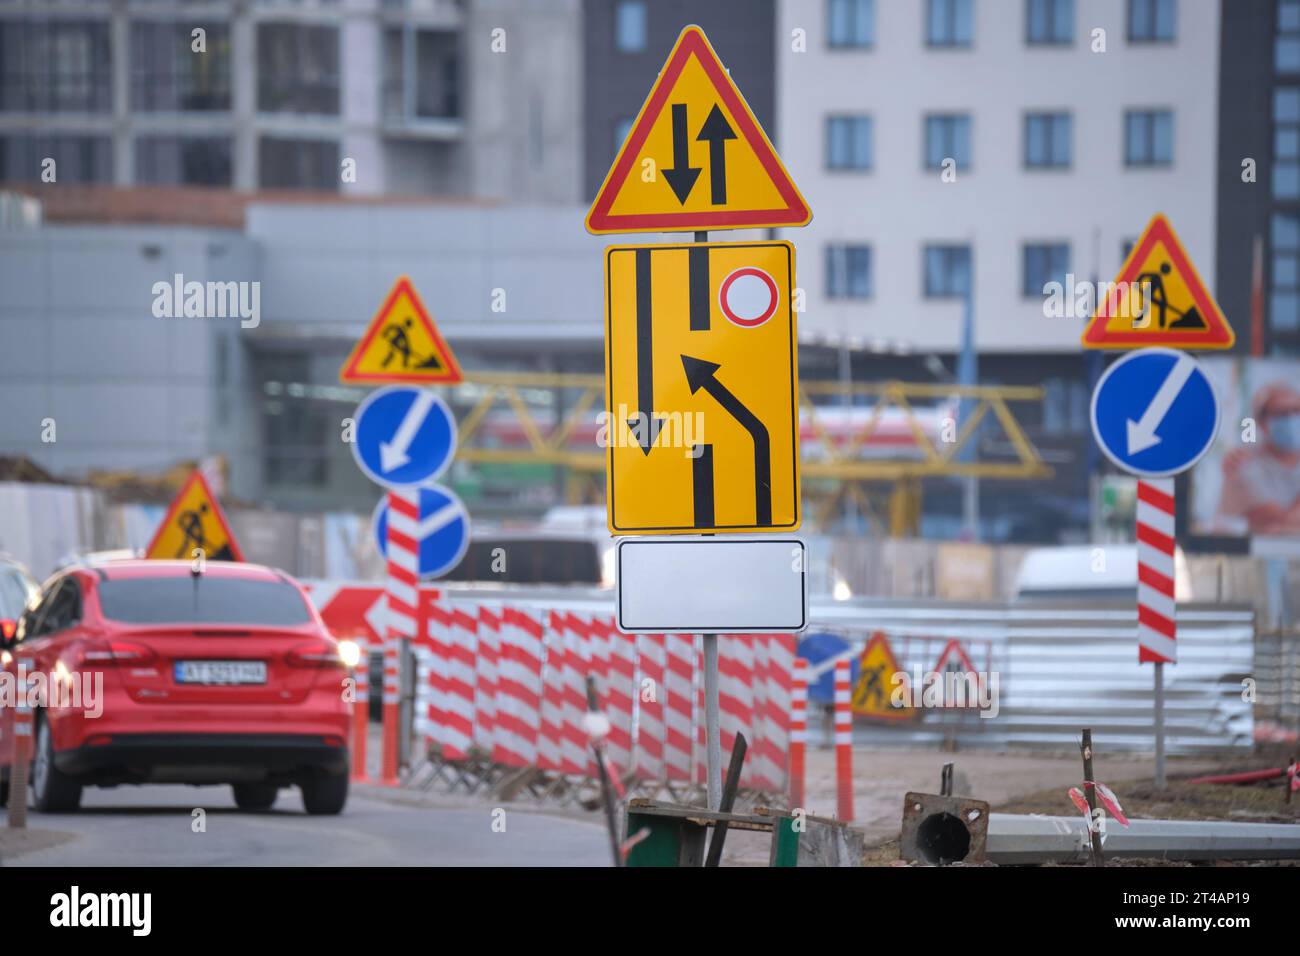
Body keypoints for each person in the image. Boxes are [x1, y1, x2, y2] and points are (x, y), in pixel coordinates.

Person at [1217, 383, 1300, 534]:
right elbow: (1278, 520)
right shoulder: (1242, 463)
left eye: (1297, 411)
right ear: (1262, 422)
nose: (1292, 419)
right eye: (1282, 413)